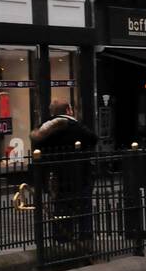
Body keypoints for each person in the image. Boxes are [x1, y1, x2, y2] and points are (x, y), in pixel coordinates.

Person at [31, 100, 99, 241]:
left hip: (56, 176)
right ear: (68, 110)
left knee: (61, 208)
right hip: (80, 174)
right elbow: (93, 139)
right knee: (83, 207)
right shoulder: (75, 126)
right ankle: (85, 239)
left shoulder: (44, 129)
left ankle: (62, 239)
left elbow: (38, 149)